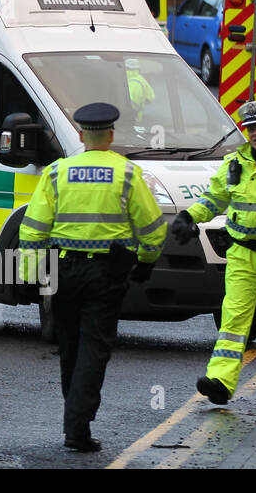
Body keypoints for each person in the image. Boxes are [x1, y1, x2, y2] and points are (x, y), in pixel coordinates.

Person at [19, 102, 165, 451]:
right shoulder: (128, 173)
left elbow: (34, 228)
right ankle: (78, 426)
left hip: (64, 270)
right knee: (94, 347)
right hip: (106, 273)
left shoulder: (57, 173)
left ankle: (74, 416)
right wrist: (145, 261)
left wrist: (28, 274)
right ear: (111, 135)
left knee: (69, 345)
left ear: (82, 135)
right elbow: (153, 228)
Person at [172, 100, 256, 405]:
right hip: (241, 254)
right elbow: (214, 198)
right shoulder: (235, 162)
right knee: (233, 321)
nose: (255, 133)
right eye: (250, 128)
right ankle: (221, 381)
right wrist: (189, 216)